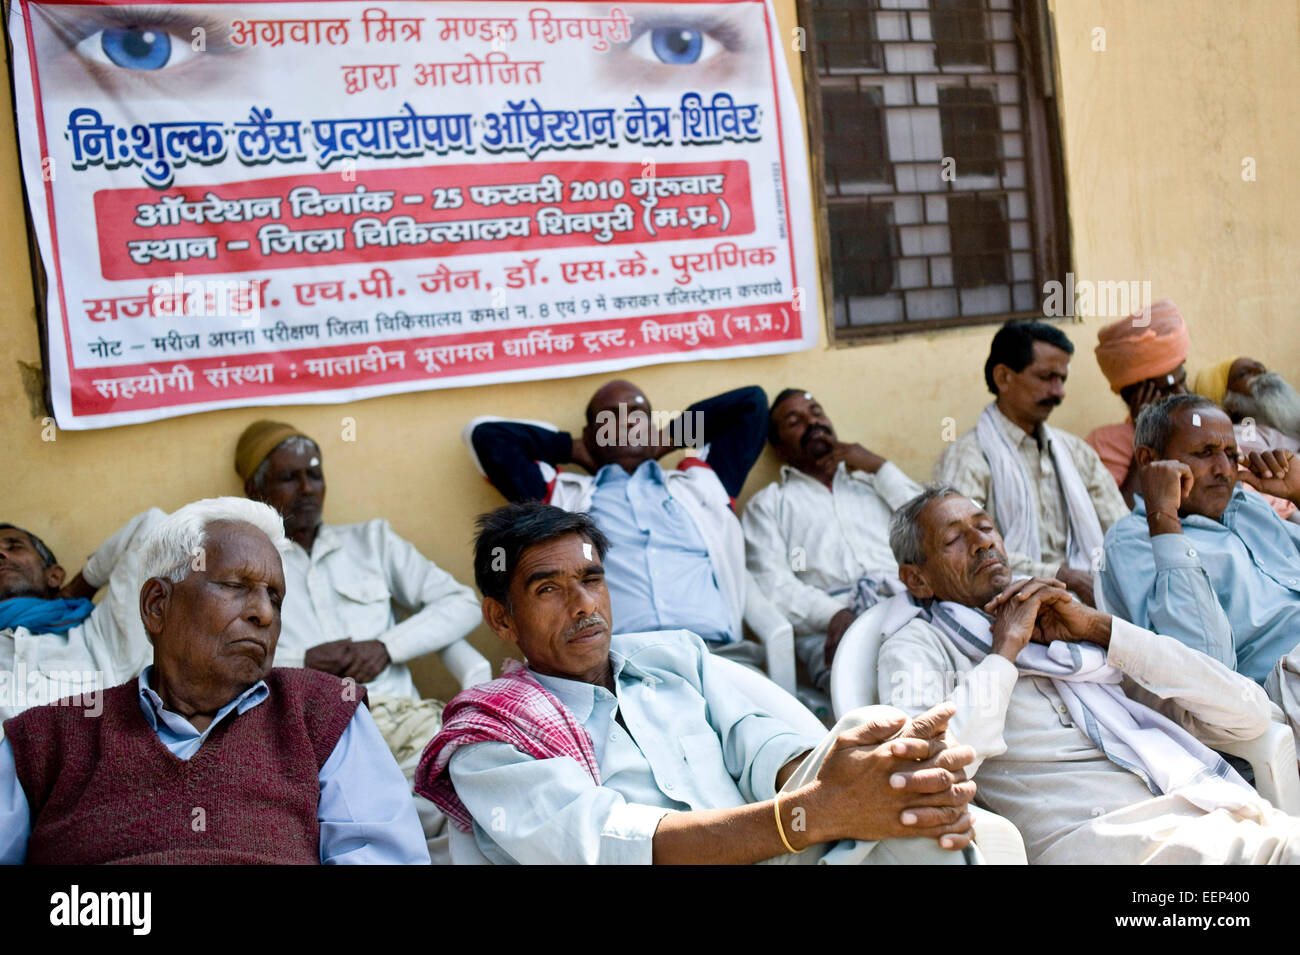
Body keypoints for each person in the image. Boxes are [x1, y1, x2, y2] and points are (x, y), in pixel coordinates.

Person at [416, 501, 980, 865]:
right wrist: (819, 813)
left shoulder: (672, 656)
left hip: (776, 845)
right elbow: (611, 844)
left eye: (592, 579)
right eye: (548, 590)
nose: (584, 605)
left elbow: (758, 743)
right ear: (501, 619)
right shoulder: (489, 741)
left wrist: (848, 780)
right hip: (753, 843)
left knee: (878, 754)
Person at [877, 484, 1300, 864]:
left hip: (1206, 811)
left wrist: (1101, 629)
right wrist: (1004, 653)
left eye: (985, 526)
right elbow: (933, 770)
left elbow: (1250, 714)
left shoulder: (1061, 626)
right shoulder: (916, 645)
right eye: (954, 538)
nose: (981, 542)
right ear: (916, 579)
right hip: (1105, 843)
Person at [0, 497, 428, 864]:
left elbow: (379, 855)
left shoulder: (321, 711)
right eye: (235, 586)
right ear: (156, 606)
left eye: (274, 597)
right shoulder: (43, 739)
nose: (263, 613)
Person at [464, 381, 767, 660]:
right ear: (590, 435)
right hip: (618, 663)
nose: (625, 423)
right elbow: (486, 436)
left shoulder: (701, 484)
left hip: (717, 655)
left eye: (637, 414)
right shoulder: (561, 500)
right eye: (608, 418)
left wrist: (670, 437)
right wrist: (573, 448)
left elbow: (751, 403)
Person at [1099, 395, 1300, 727]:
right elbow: (1210, 672)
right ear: (1149, 461)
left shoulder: (1247, 506)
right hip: (1277, 694)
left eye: (1231, 455)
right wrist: (1165, 521)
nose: (1224, 470)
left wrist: (1297, 494)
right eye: (1205, 454)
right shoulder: (1134, 540)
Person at [935, 320, 1127, 606]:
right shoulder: (968, 457)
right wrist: (1064, 576)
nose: (1059, 392)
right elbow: (962, 551)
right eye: (1047, 377)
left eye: (1062, 379)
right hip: (1007, 606)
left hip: (1094, 596)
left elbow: (1120, 531)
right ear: (1003, 378)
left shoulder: (1075, 452)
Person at [742, 389, 921, 690]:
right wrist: (833, 614)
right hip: (836, 629)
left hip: (911, 606)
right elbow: (773, 584)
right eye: (794, 420)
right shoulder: (769, 505)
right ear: (779, 449)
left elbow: (935, 525)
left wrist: (878, 466)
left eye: (816, 412)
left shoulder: (871, 483)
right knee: (892, 685)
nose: (812, 422)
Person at [1, 513, 162, 722]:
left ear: (54, 576)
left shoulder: (100, 634)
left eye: (14, 546)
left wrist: (78, 587)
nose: (1, 553)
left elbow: (155, 528)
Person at [1085, 299, 1190, 505]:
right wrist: (1145, 439)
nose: (1183, 393)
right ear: (1136, 398)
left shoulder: (1205, 427)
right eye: (1169, 390)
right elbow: (1118, 517)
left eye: (1182, 381)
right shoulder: (1102, 444)